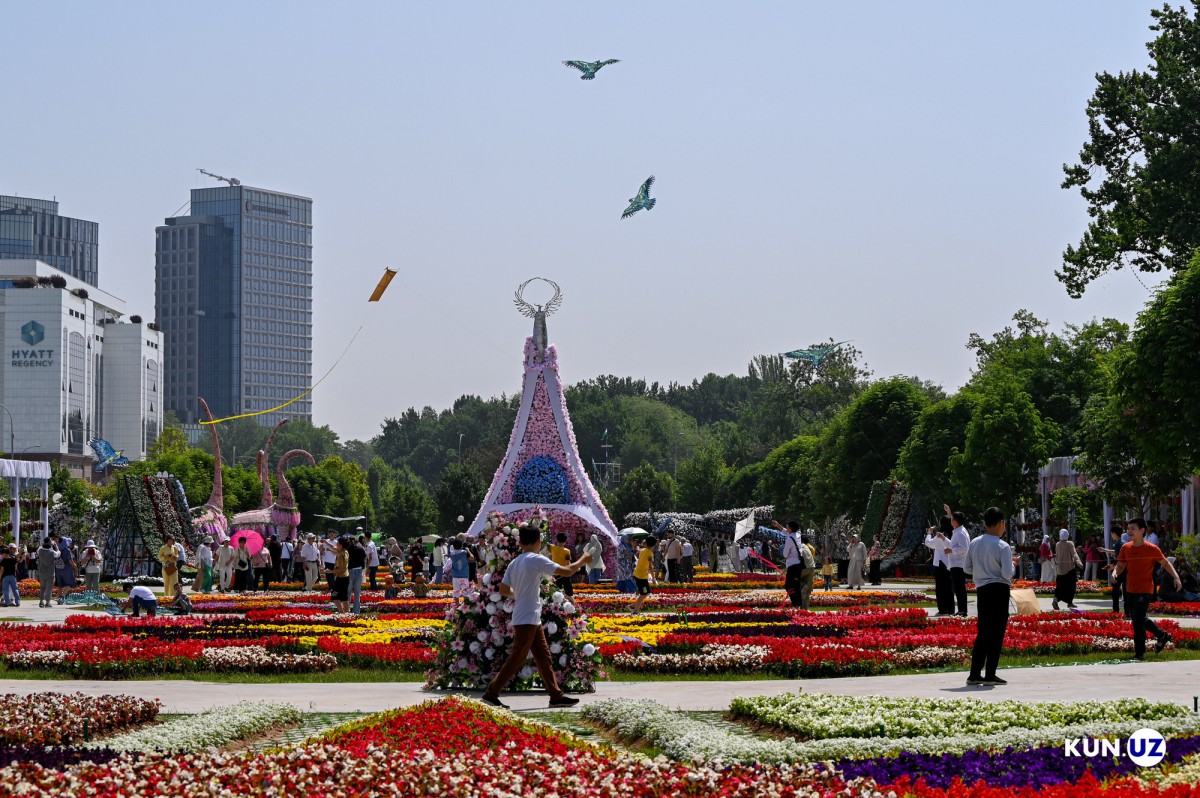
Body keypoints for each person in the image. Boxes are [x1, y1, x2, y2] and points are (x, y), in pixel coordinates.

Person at [480, 523, 590, 709]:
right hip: (528, 616)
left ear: (521, 542)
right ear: (539, 542)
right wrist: (583, 560)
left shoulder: (515, 562)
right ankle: (491, 693)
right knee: (518, 657)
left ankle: (555, 695)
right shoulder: (536, 559)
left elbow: (503, 589)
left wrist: (519, 593)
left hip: (527, 615)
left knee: (543, 656)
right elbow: (566, 571)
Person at [1114, 518, 1180, 661]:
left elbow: (1165, 563)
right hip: (1130, 588)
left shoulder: (1152, 548)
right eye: (1128, 528)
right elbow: (1120, 565)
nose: (1129, 531)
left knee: (1137, 620)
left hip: (1145, 589)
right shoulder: (1126, 548)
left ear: (1142, 531)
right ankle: (1163, 635)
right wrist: (1114, 573)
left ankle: (1139, 654)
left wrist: (1176, 577)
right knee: (1138, 618)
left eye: (1133, 528)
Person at [964, 507, 1015, 686]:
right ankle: (990, 673)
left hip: (983, 590)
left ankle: (974, 673)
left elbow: (967, 568)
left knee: (984, 631)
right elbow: (1008, 573)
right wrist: (1012, 567)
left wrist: (981, 571)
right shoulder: (1003, 545)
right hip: (999, 590)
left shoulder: (975, 542)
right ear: (1001, 523)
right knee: (997, 632)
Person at [925, 519, 954, 615]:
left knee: (940, 589)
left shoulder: (939, 536)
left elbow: (928, 543)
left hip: (940, 564)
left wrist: (929, 533)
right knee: (949, 588)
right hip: (949, 564)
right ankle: (951, 609)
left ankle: (942, 609)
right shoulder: (952, 535)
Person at [946, 509, 971, 617]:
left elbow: (964, 548)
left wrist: (952, 551)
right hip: (956, 563)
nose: (950, 520)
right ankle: (961, 609)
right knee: (958, 588)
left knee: (960, 589)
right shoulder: (958, 530)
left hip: (958, 564)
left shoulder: (960, 533)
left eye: (952, 518)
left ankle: (963, 610)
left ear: (955, 521)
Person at [1053, 529, 1083, 610]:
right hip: (1069, 569)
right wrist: (1079, 563)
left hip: (1060, 570)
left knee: (1060, 587)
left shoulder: (1057, 544)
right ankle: (1069, 602)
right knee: (1071, 586)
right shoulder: (1070, 543)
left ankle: (1055, 599)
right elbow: (1074, 554)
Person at [632, 535, 657, 613]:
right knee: (644, 593)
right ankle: (635, 610)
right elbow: (650, 566)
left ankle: (633, 606)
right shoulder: (650, 554)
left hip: (637, 573)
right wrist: (653, 578)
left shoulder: (642, 550)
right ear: (653, 545)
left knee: (644, 592)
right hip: (641, 576)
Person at [327, 536, 351, 614]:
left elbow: (341, 569)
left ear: (340, 545)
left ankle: (342, 612)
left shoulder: (340, 555)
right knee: (344, 597)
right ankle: (346, 612)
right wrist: (326, 542)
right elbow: (334, 548)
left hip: (341, 578)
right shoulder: (345, 551)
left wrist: (331, 571)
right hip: (346, 577)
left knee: (334, 596)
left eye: (338, 543)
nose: (336, 544)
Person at [346, 535, 366, 613]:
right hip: (359, 570)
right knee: (357, 592)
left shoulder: (347, 550)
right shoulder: (360, 549)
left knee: (348, 592)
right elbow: (364, 559)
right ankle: (356, 611)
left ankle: (347, 610)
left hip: (350, 571)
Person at [36, 539, 56, 608]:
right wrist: (56, 546)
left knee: (42, 587)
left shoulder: (40, 551)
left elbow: (39, 549)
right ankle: (47, 602)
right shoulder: (52, 552)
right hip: (50, 572)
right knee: (49, 588)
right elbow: (58, 554)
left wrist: (44, 543)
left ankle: (41, 602)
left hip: (41, 572)